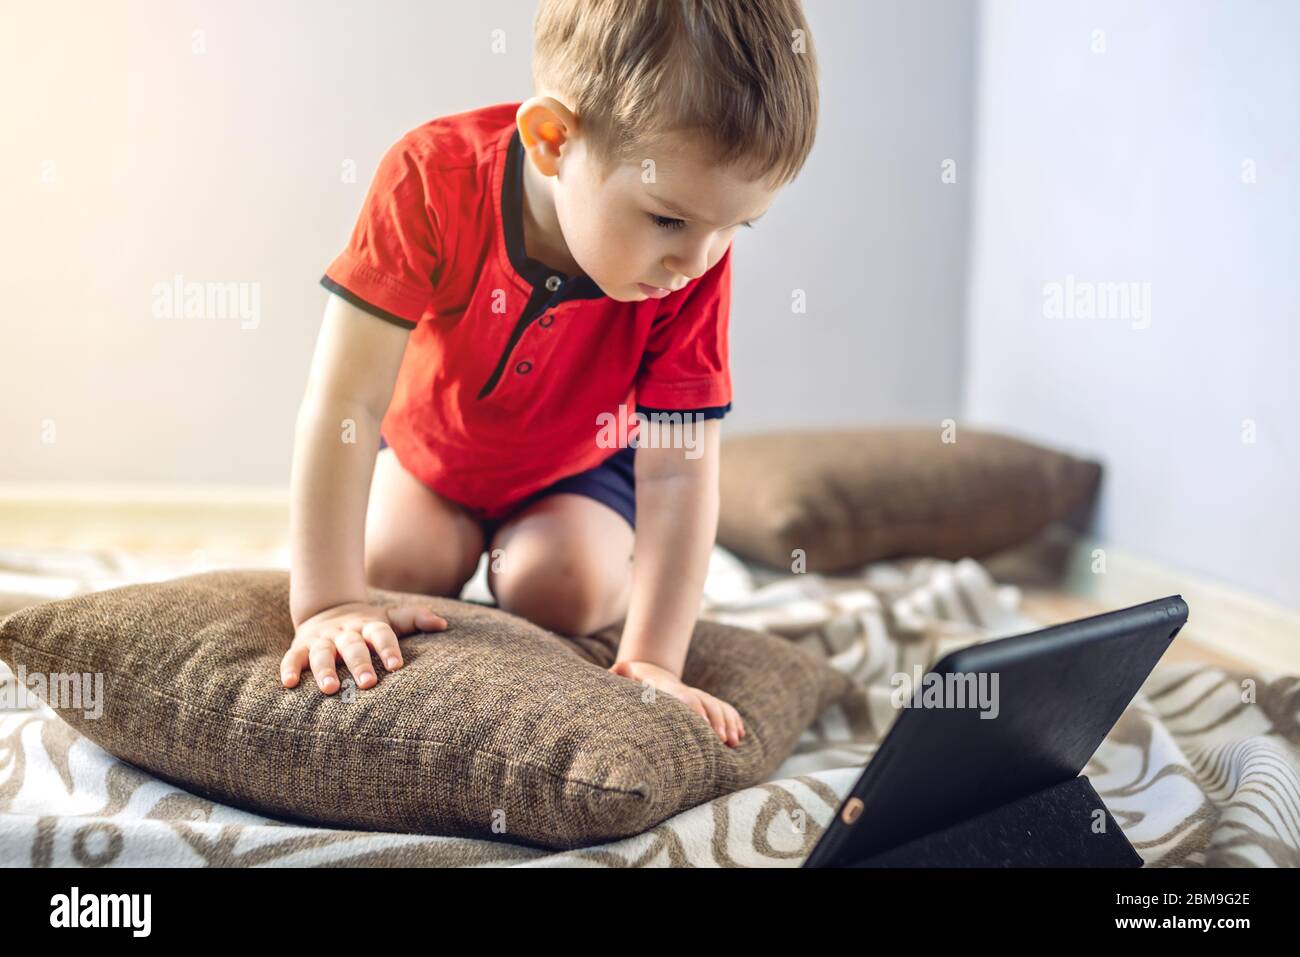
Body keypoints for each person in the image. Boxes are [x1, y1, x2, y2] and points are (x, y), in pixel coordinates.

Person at [280, 0, 820, 748]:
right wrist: (329, 603)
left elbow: (678, 472)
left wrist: (652, 658)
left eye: (735, 227)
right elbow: (344, 400)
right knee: (396, 562)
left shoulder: (693, 263)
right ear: (552, 140)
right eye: (668, 220)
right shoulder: (429, 178)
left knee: (557, 585)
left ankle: (593, 559)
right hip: (434, 455)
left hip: (580, 470)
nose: (697, 261)